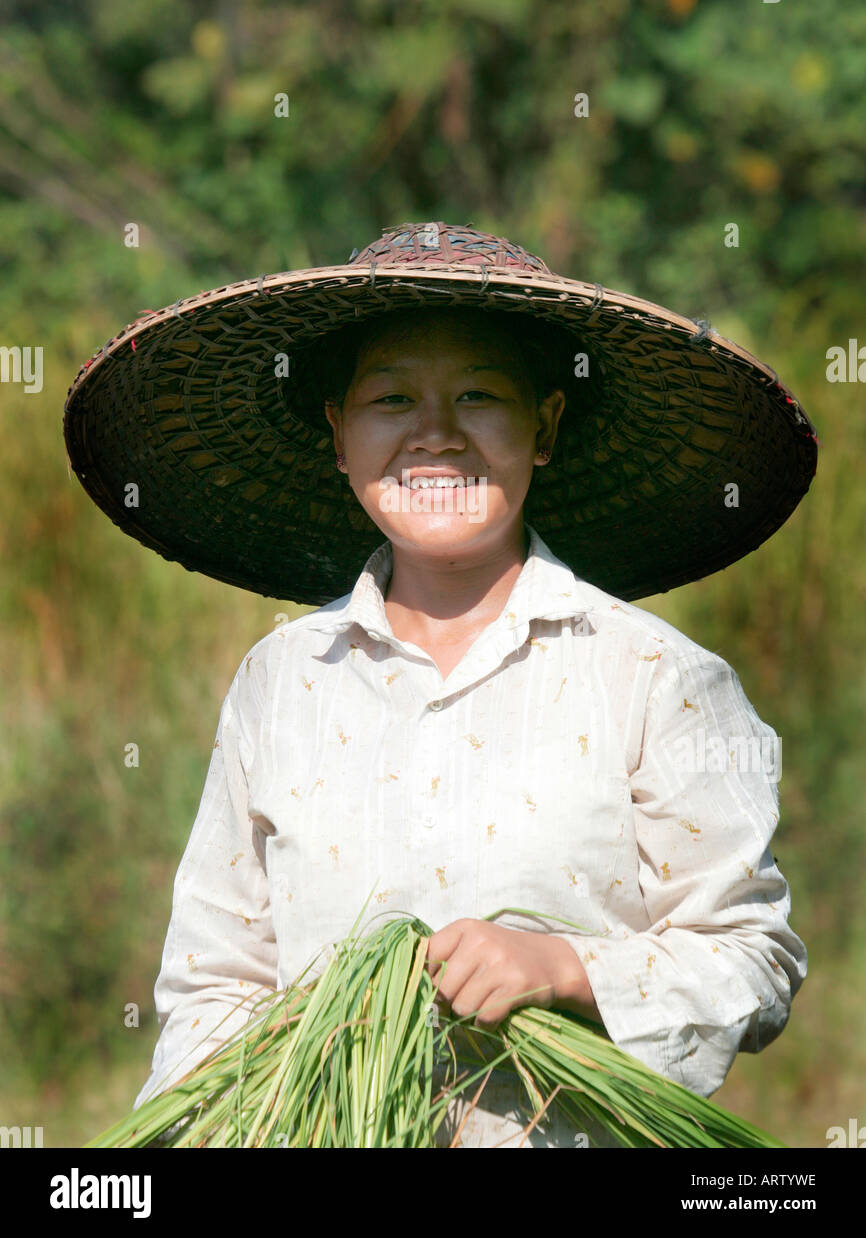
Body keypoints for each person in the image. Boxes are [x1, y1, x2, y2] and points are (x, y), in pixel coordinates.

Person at [63, 221, 818, 1147]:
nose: (434, 433)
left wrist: (567, 968)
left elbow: (752, 961)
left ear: (544, 426)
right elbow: (217, 982)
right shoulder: (281, 681)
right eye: (389, 398)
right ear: (339, 435)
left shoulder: (655, 677)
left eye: (478, 395)